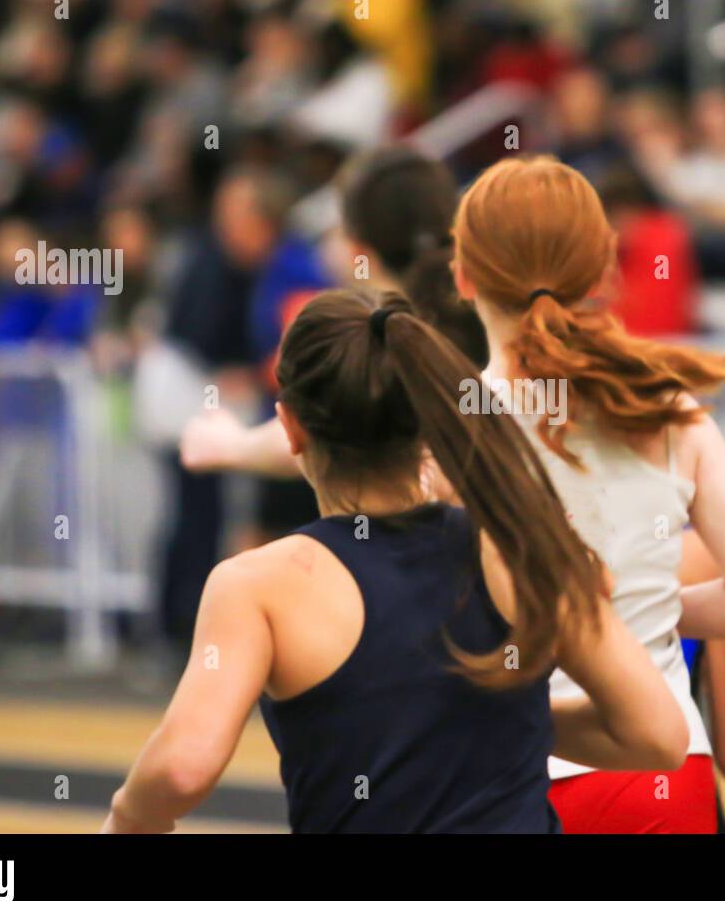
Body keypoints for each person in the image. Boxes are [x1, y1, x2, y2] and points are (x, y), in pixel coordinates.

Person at [104, 289, 689, 834]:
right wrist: (506, 719)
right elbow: (658, 737)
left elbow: (182, 768)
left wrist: (125, 818)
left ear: (291, 429)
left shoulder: (258, 584)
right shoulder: (519, 542)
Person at [452, 156, 725, 833]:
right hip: (663, 773)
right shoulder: (664, 406)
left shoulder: (451, 423)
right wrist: (654, 611)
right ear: (603, 271)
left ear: (462, 277)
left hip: (511, 770)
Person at [179, 145, 485, 477]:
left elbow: (328, 430)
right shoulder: (482, 314)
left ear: (356, 248)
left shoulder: (379, 341)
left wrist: (232, 444)